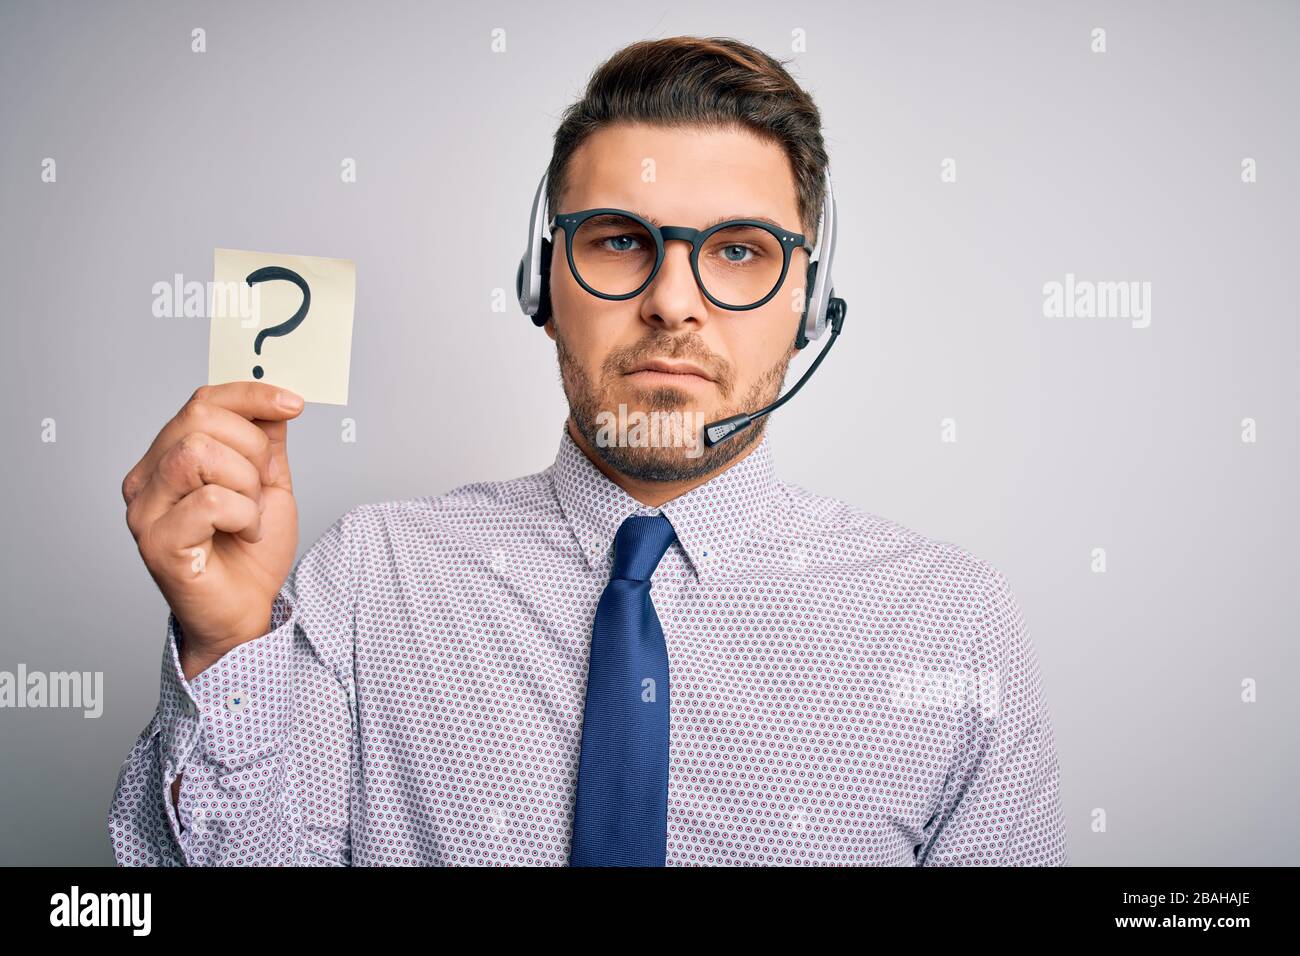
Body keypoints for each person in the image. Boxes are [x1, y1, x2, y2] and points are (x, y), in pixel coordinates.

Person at [109, 35, 1067, 866]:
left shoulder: (951, 628)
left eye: (739, 251)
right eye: (617, 240)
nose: (673, 301)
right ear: (542, 282)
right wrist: (226, 643)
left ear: (807, 305)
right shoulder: (367, 578)